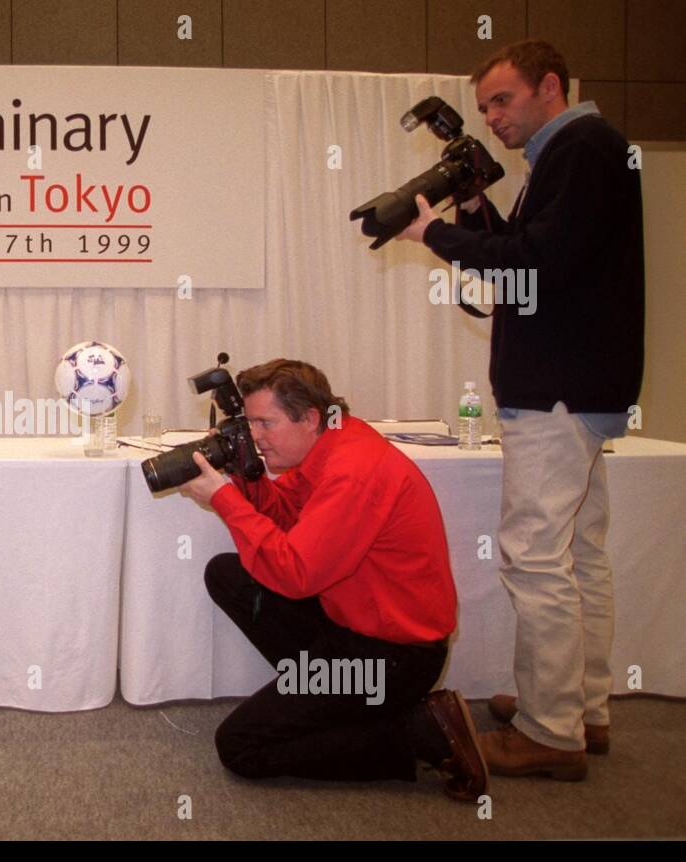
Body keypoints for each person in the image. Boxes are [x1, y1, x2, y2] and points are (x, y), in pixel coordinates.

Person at [396, 40, 643, 780]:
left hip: (557, 389)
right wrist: (474, 205)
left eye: (503, 100)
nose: (493, 117)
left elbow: (535, 265)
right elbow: (533, 252)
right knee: (580, 553)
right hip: (584, 386)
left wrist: (432, 233)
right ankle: (582, 710)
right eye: (484, 108)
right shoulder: (575, 154)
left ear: (551, 88)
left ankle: (550, 732)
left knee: (536, 559)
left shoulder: (581, 147)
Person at [179, 358, 487, 801]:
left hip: (393, 659)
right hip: (352, 624)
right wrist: (242, 474)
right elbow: (285, 516)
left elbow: (296, 573)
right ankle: (337, 703)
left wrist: (226, 501)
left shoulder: (353, 471)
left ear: (308, 417)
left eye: (266, 423)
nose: (257, 436)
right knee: (228, 574)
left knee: (240, 746)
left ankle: (419, 733)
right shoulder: (335, 440)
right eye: (251, 424)